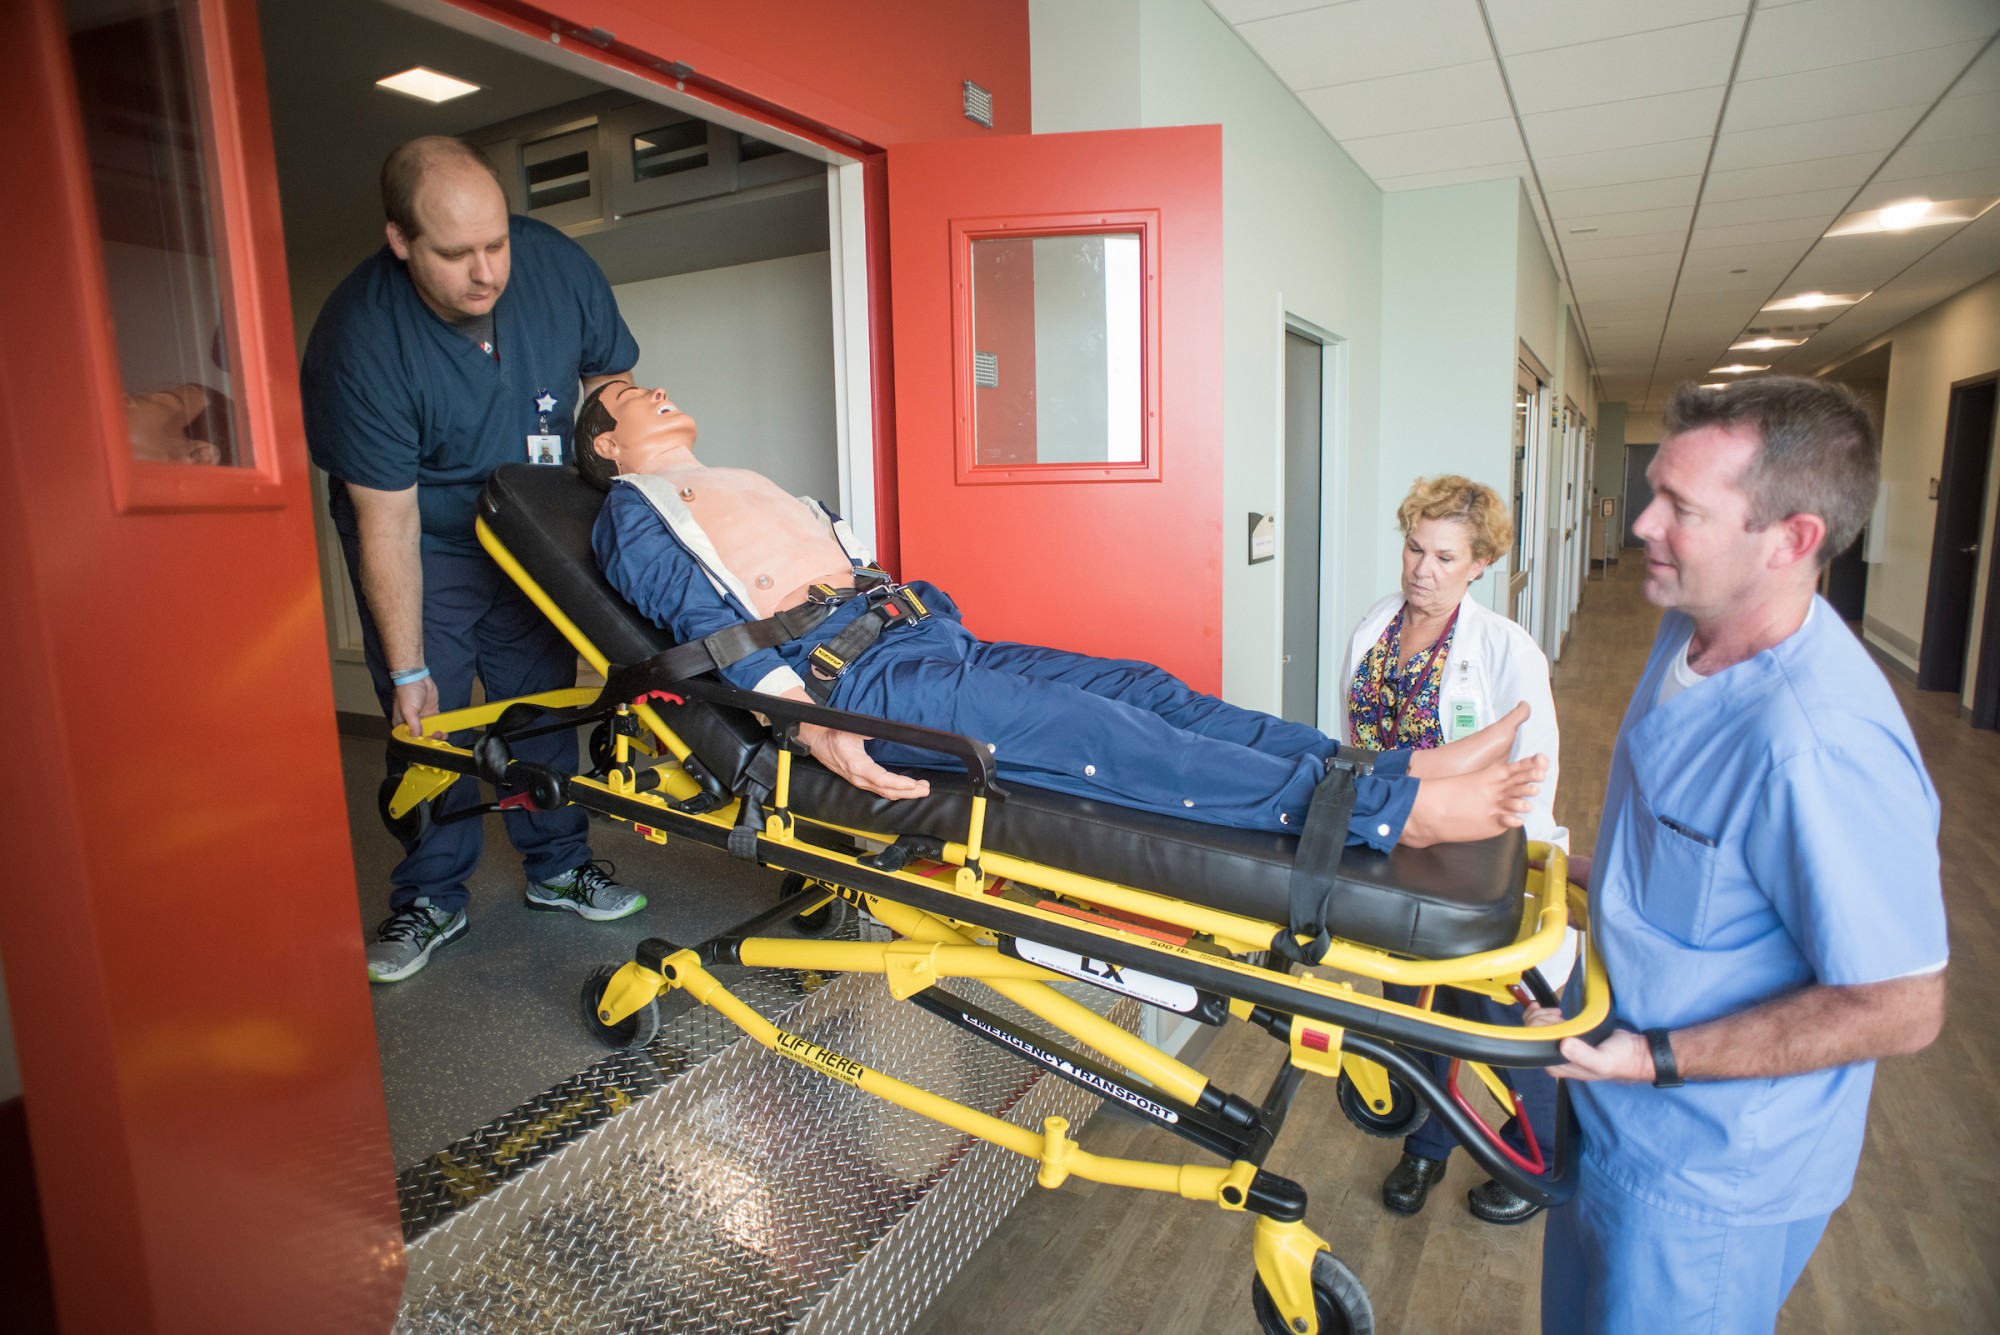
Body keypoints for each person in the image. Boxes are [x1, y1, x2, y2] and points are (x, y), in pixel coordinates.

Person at [576, 379, 1552, 851]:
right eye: (626, 395)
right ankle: (1394, 816)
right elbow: (710, 632)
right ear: (606, 446)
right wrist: (820, 728)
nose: (652, 389)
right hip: (863, 684)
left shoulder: (739, 478)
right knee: (1100, 731)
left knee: (1143, 688)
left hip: (922, 638)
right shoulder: (636, 513)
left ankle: (1381, 767)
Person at [1527, 377, 1948, 1334]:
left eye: (1681, 507)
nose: (1641, 523)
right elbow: (1701, 861)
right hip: (1610, 1094)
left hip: (1710, 1168)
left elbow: (1903, 1004)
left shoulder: (1822, 744)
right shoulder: (1690, 627)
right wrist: (1572, 872)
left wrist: (1652, 1056)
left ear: (1790, 539)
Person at [301, 137, 647, 984]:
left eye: (496, 243)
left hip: (529, 523)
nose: (487, 271)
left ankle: (559, 864)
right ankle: (430, 895)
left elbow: (613, 374)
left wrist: (620, 446)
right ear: (401, 242)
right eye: (456, 255)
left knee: (538, 705)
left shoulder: (554, 267)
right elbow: (385, 519)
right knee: (432, 720)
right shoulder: (360, 341)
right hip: (422, 539)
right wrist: (407, 662)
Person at [1340, 475, 1573, 1226]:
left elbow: (1531, 782)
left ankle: (1535, 1162)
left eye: (1445, 556)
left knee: (1499, 1024)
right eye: (1414, 547)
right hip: (1394, 861)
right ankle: (1426, 1145)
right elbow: (1354, 747)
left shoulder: (1505, 650)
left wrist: (1510, 889)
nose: (1422, 569)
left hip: (1479, 872)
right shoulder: (1373, 630)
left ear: (1479, 564)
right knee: (1413, 1019)